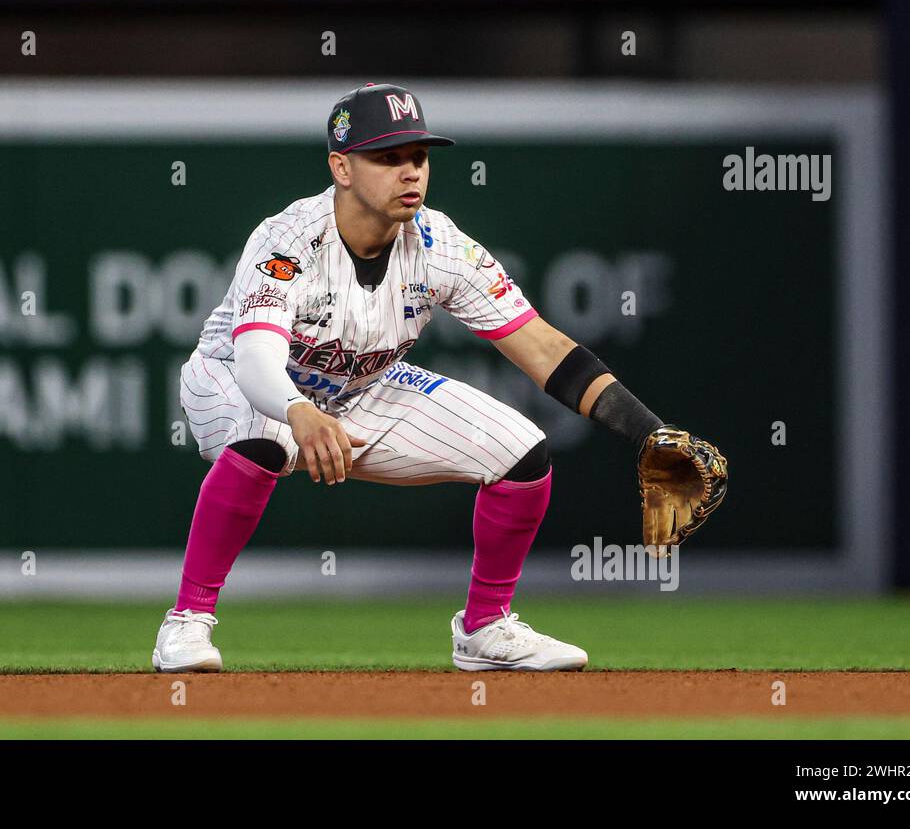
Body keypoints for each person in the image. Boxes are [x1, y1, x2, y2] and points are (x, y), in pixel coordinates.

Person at [157, 83, 667, 673]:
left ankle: (486, 629)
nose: (410, 173)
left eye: (419, 157)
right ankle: (187, 623)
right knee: (267, 440)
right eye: (388, 157)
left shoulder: (439, 242)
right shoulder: (289, 238)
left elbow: (546, 349)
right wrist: (297, 410)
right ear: (341, 167)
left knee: (522, 452)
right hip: (237, 379)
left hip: (363, 389)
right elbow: (255, 362)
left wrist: (648, 432)